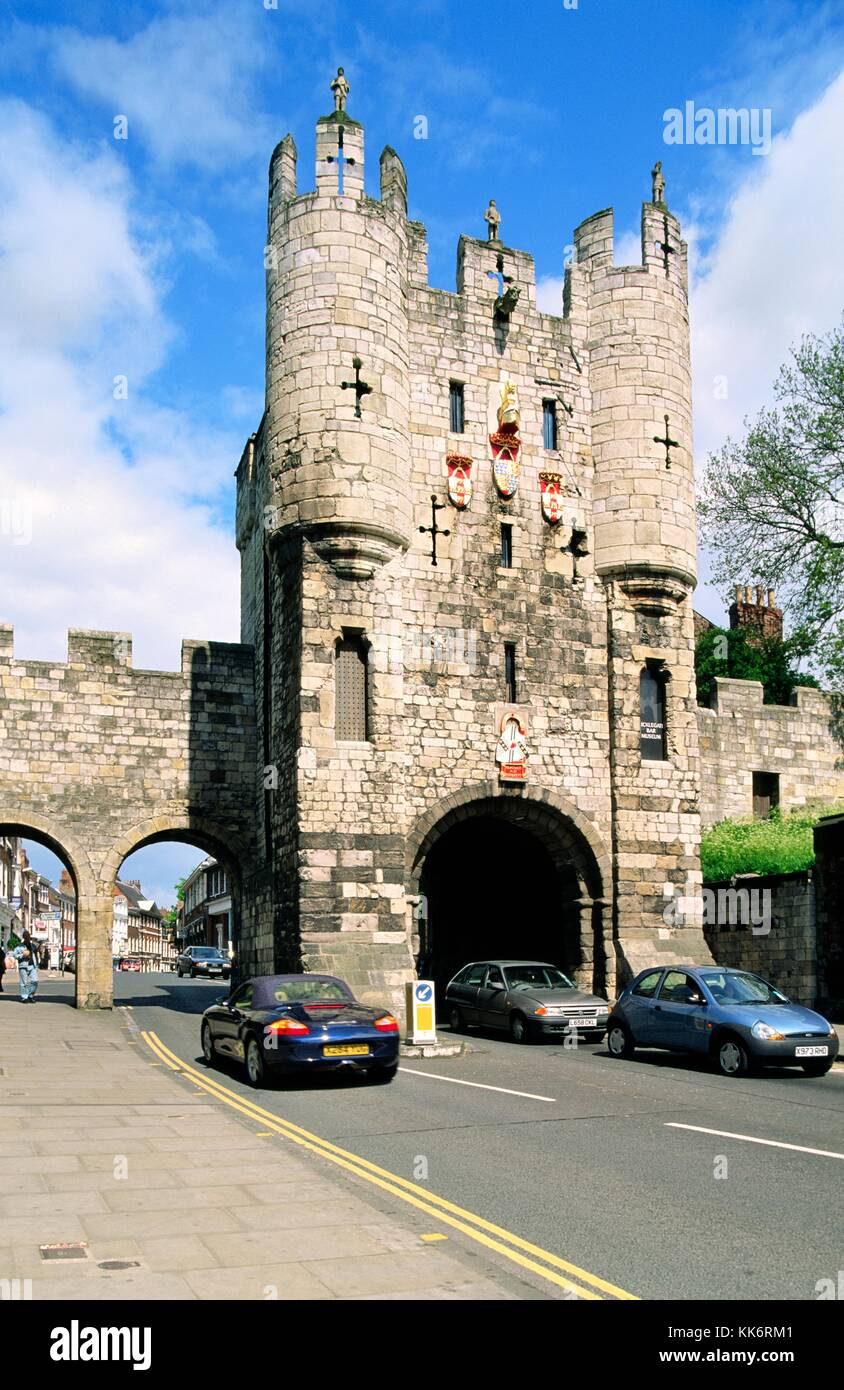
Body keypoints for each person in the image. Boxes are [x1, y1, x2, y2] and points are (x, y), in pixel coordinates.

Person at [11, 930, 39, 1003]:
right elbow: (14, 955)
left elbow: (36, 955)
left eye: (28, 936)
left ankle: (30, 995)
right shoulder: (19, 947)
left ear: (30, 937)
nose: (27, 937)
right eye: (25, 936)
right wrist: (22, 955)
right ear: (23, 937)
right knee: (24, 983)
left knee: (35, 981)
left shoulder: (33, 946)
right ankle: (24, 997)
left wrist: (37, 965)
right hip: (23, 966)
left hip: (32, 966)